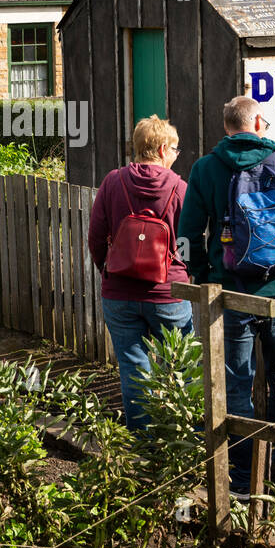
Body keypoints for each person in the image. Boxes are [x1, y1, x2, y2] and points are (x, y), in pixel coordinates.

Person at [177, 96, 275, 495]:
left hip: (230, 293)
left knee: (237, 386)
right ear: (259, 124)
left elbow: (189, 233)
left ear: (227, 126)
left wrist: (202, 275)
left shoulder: (206, 169)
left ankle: (246, 480)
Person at [88, 115, 192, 431]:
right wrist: (184, 274)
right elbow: (189, 240)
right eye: (175, 149)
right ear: (162, 149)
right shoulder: (179, 188)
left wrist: (108, 271)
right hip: (168, 296)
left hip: (119, 295)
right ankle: (182, 442)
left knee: (134, 370)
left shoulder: (112, 182)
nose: (177, 155)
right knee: (181, 369)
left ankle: (144, 447)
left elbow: (95, 236)